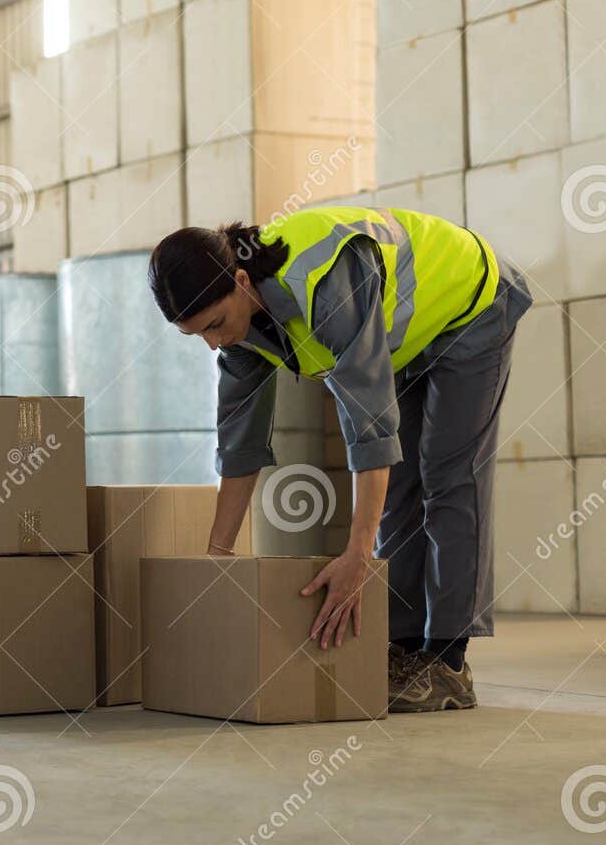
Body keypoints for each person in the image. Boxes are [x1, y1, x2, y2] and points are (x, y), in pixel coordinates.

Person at [147, 206, 530, 713]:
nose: (214, 342)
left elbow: (367, 427)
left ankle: (449, 662)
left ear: (241, 281)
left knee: (448, 476)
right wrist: (217, 557)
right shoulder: (239, 333)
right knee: (399, 487)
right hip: (409, 332)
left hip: (472, 302)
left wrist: (358, 558)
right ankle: (408, 646)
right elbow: (239, 443)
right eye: (196, 335)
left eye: (215, 324)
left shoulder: (326, 284)